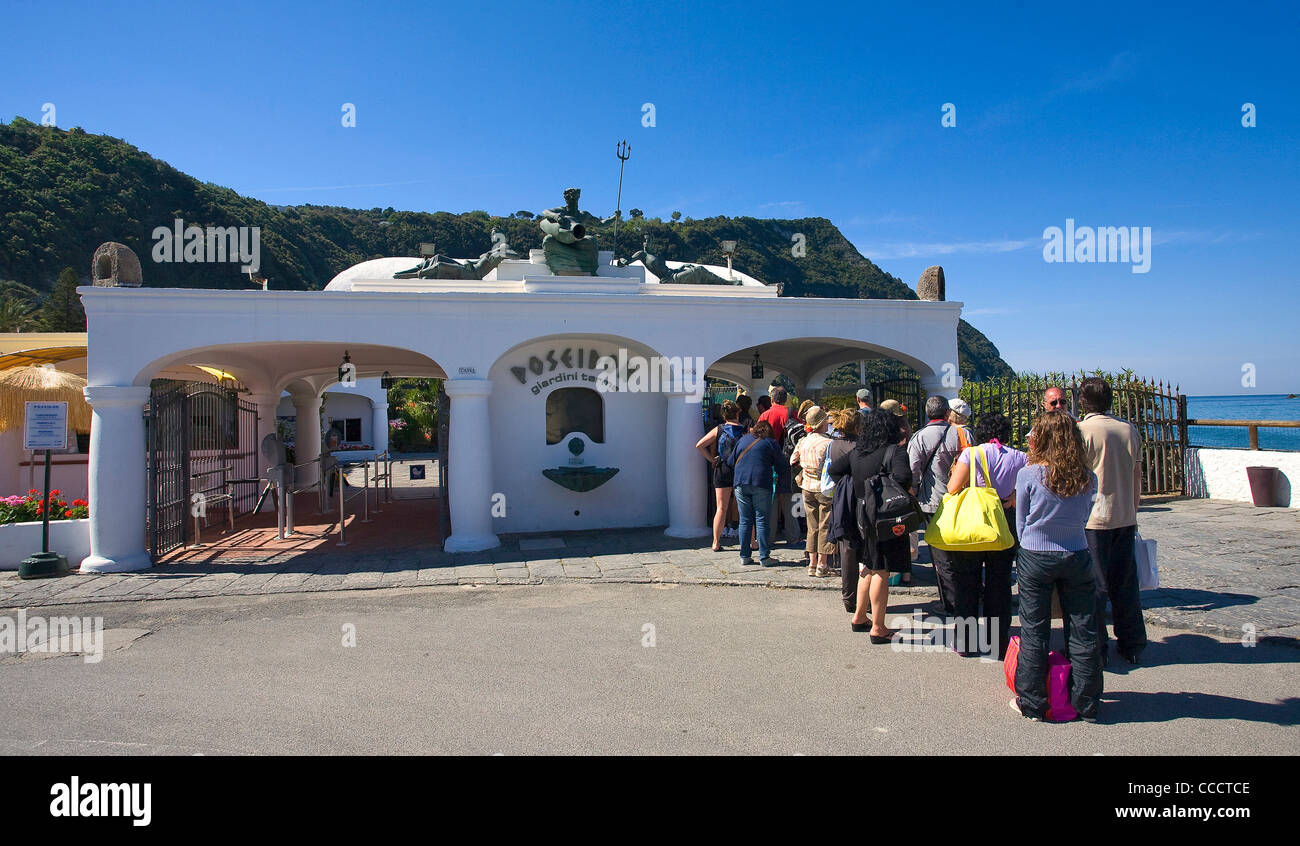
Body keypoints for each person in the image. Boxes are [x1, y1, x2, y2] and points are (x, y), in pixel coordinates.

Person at [1012, 412, 1101, 722]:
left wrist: (1030, 544)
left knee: (1034, 629)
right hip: (1076, 552)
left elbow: (1021, 521)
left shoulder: (1029, 474)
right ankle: (1086, 702)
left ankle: (1032, 701)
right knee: (1082, 628)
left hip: (1036, 553)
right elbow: (1085, 516)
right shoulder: (1088, 477)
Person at [1077, 376, 1147, 665]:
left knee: (1095, 585)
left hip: (1093, 516)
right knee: (1126, 581)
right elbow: (1137, 473)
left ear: (1082, 401)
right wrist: (1134, 507)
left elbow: (1077, 475)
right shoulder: (1128, 430)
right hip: (1124, 513)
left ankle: (1097, 646)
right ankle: (1131, 642)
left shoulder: (1081, 431)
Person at [945, 412, 1027, 659]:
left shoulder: (972, 453)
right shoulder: (1021, 457)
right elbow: (1024, 490)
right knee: (999, 584)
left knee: (966, 583)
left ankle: (966, 641)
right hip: (1004, 524)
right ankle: (998, 642)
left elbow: (952, 488)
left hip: (973, 525)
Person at [830, 410, 912, 643]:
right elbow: (904, 476)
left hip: (860, 514)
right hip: (884, 517)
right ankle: (878, 627)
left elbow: (834, 470)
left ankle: (859, 617)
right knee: (881, 571)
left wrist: (857, 489)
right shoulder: (893, 451)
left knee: (867, 565)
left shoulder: (858, 452)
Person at [907, 395, 968, 616]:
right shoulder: (963, 433)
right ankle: (968, 594)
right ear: (946, 413)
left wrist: (912, 492)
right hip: (962, 499)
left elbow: (913, 470)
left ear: (927, 413)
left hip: (932, 501)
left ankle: (949, 602)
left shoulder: (920, 437)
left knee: (940, 554)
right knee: (963, 549)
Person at [695, 400, 747, 552]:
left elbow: (700, 445)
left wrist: (712, 459)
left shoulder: (718, 429)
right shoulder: (744, 431)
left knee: (721, 508)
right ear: (738, 413)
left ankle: (716, 542)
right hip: (739, 470)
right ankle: (749, 541)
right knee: (743, 507)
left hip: (722, 469)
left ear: (724, 415)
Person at [732, 420, 782, 566]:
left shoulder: (743, 439)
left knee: (745, 520)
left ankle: (745, 556)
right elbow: (780, 464)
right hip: (760, 483)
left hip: (740, 482)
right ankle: (764, 557)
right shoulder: (770, 442)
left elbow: (731, 460)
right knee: (761, 520)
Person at [791, 405, 835, 577]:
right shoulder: (828, 442)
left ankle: (812, 562)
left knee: (812, 526)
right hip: (823, 487)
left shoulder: (804, 441)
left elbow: (792, 460)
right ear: (822, 424)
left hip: (806, 486)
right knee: (825, 524)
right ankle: (822, 564)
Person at [826, 407, 861, 610]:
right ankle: (861, 596)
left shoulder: (833, 444)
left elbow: (832, 470)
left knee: (846, 548)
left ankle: (848, 596)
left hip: (840, 495)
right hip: (858, 494)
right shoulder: (858, 445)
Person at [757, 387, 800, 548]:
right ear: (785, 399)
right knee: (789, 499)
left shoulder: (765, 415)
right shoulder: (790, 413)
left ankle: (769, 536)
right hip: (788, 461)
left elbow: (758, 437)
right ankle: (793, 535)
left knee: (771, 500)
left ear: (772, 399)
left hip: (769, 462)